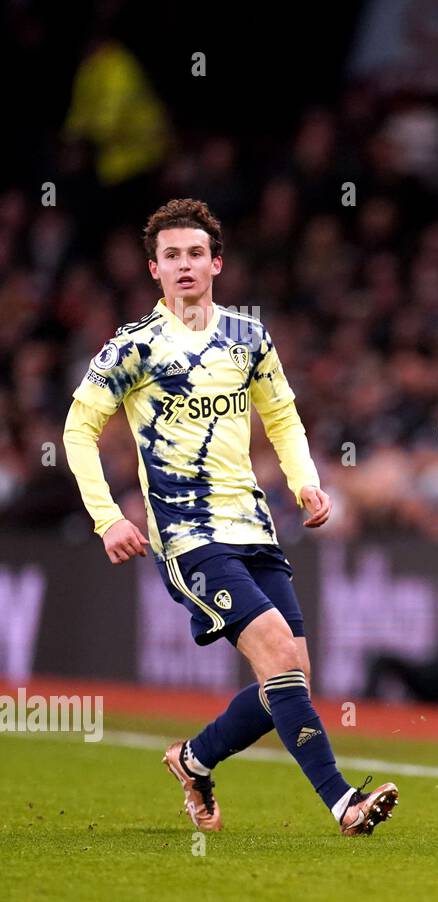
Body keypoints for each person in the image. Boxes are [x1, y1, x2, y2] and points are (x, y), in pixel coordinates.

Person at [62, 198, 397, 836]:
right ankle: (343, 804)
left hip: (255, 527)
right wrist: (107, 517)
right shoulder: (133, 347)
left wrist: (305, 483)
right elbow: (79, 428)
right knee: (277, 652)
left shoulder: (248, 336)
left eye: (195, 253)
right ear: (154, 270)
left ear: (216, 263)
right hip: (188, 536)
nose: (184, 265)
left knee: (290, 672)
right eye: (171, 256)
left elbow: (282, 415)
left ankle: (193, 760)